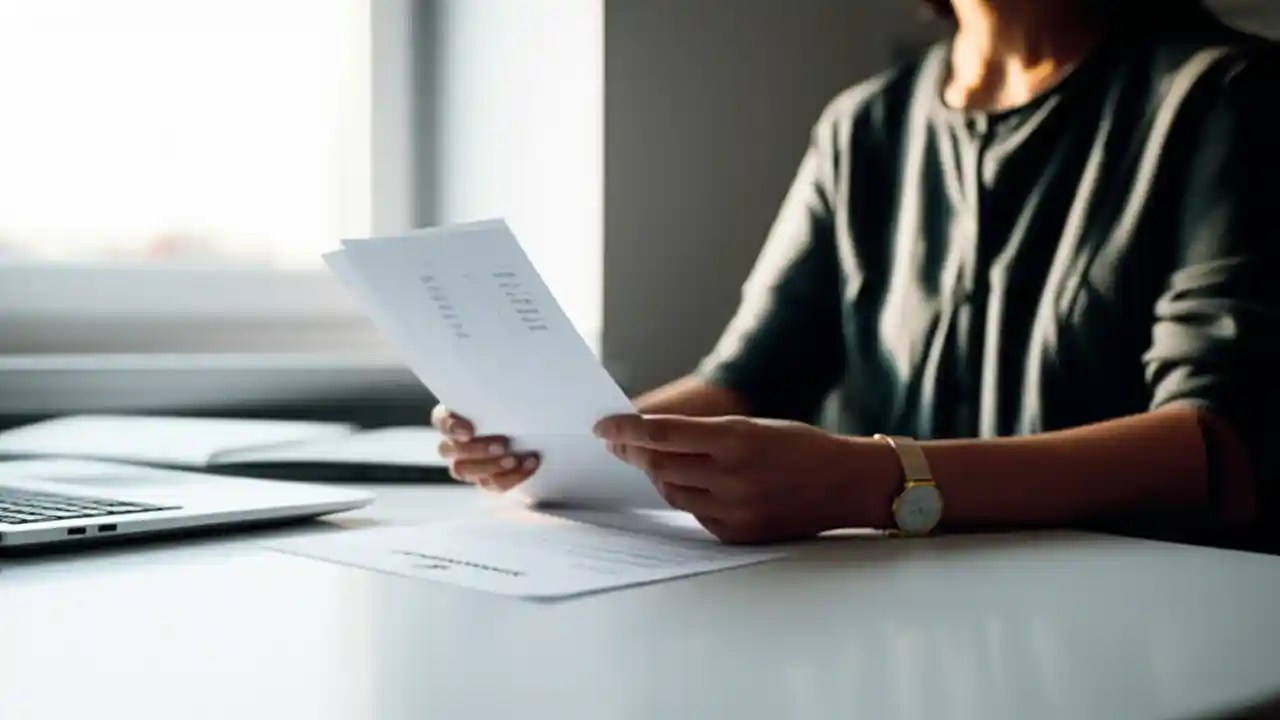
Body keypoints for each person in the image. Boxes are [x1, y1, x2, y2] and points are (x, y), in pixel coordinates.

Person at [433, 0, 1278, 545]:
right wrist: (566, 442)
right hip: (905, 613)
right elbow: (753, 375)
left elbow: (1227, 447)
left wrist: (873, 481)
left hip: (1153, 612)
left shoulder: (1228, 97)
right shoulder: (864, 125)